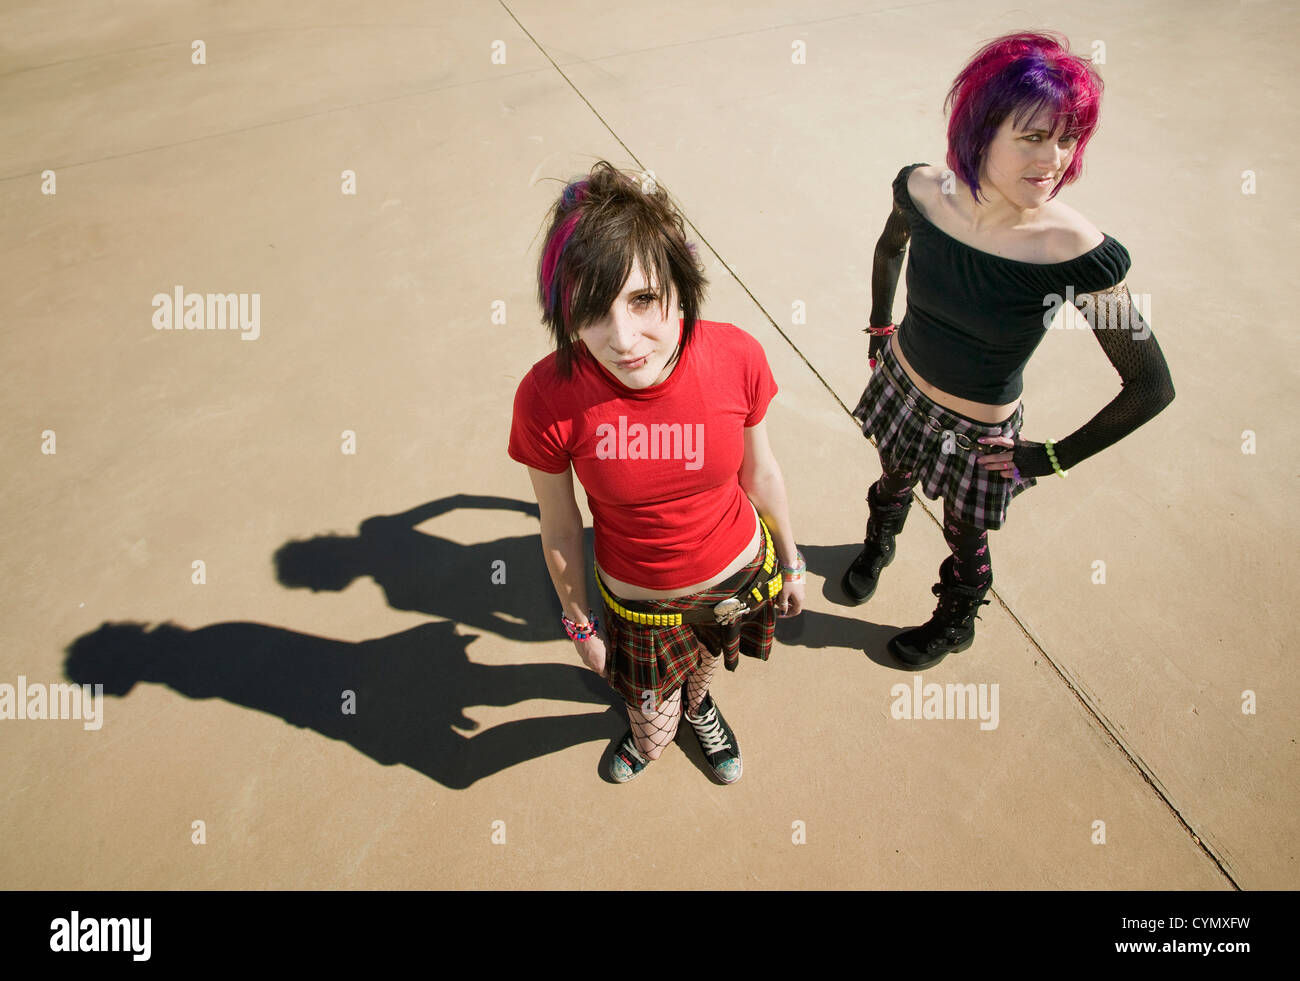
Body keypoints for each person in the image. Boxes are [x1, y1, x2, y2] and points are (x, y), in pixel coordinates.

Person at [844, 31, 1175, 668]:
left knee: (965, 534)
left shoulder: (1074, 250)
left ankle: (957, 616)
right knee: (891, 478)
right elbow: (890, 250)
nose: (1054, 159)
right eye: (1032, 136)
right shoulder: (919, 191)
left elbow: (1151, 386)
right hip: (902, 383)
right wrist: (881, 330)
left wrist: (1048, 458)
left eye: (1067, 138)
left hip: (980, 432)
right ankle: (879, 540)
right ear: (980, 130)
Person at [508, 161, 805, 783]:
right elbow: (561, 527)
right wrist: (578, 622)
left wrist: (792, 559)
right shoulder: (545, 397)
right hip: (641, 605)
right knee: (650, 706)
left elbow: (762, 473)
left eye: (643, 299)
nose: (624, 338)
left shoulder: (736, 355)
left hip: (739, 577)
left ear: (680, 279)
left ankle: (699, 708)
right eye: (592, 310)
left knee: (698, 677)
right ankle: (651, 734)